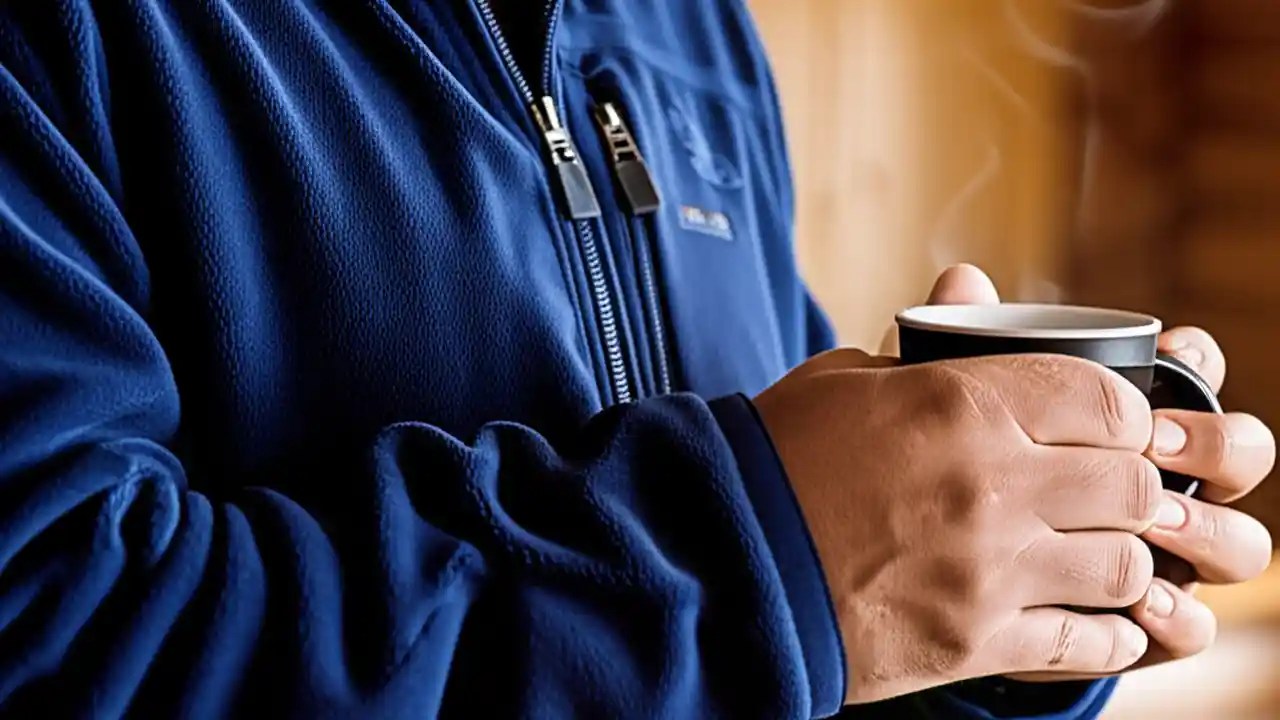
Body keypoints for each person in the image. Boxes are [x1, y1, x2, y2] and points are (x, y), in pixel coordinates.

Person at [0, 1, 1272, 718]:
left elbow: (783, 633)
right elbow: (56, 632)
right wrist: (757, 566)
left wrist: (989, 624)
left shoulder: (692, 34)